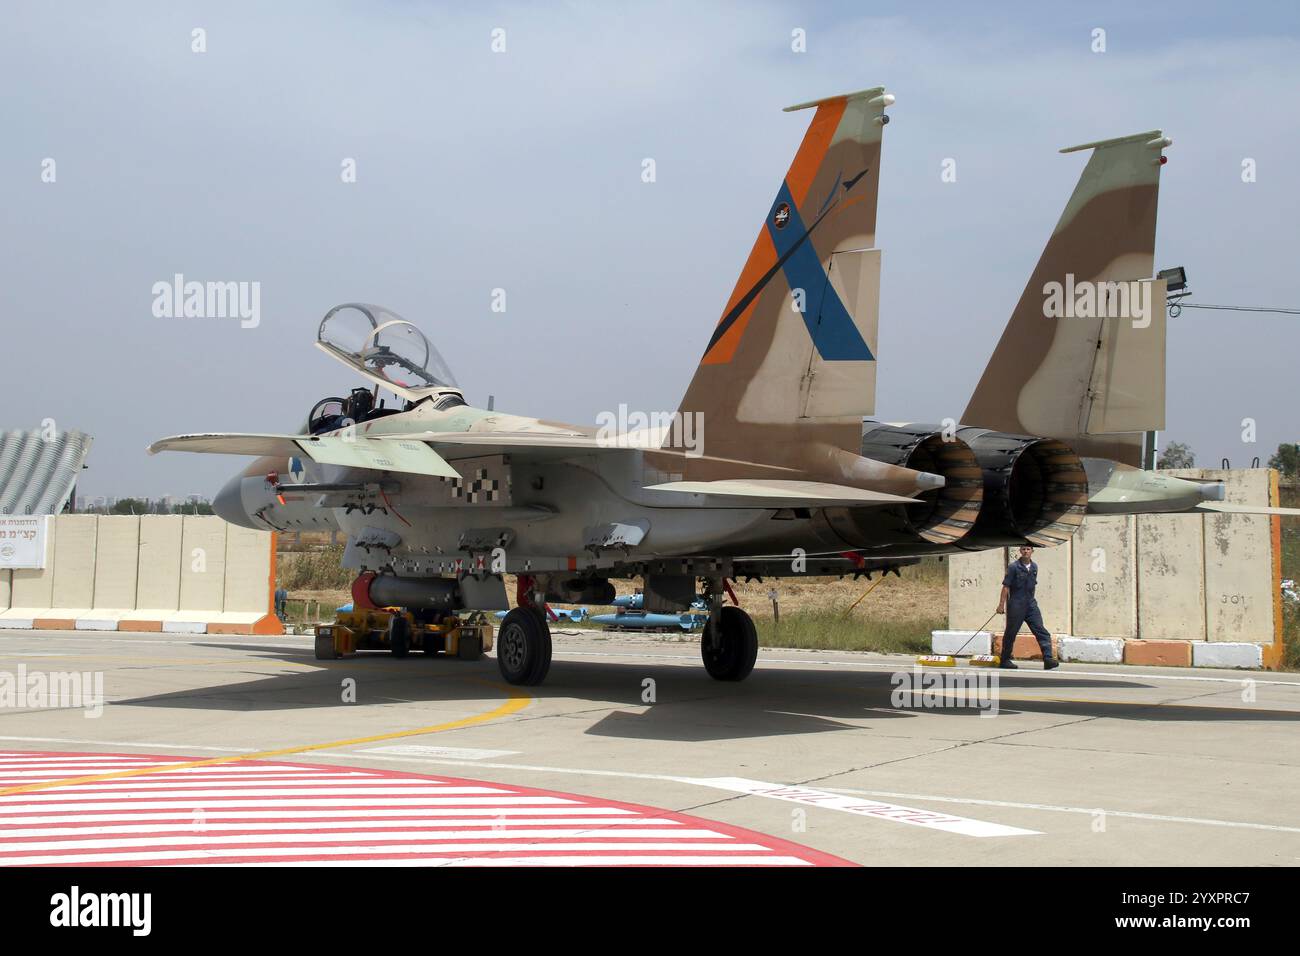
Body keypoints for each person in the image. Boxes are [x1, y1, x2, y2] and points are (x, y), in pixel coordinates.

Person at [995, 545, 1059, 670]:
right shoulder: (1013, 567)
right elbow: (1006, 587)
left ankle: (1048, 659)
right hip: (1016, 604)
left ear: (1032, 551)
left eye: (1028, 549)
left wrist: (1031, 602)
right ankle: (1005, 659)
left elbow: (1032, 585)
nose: (1026, 551)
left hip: (1030, 604)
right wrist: (1001, 605)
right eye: (1023, 549)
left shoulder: (1034, 567)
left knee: (1041, 631)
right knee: (1011, 633)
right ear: (1020, 551)